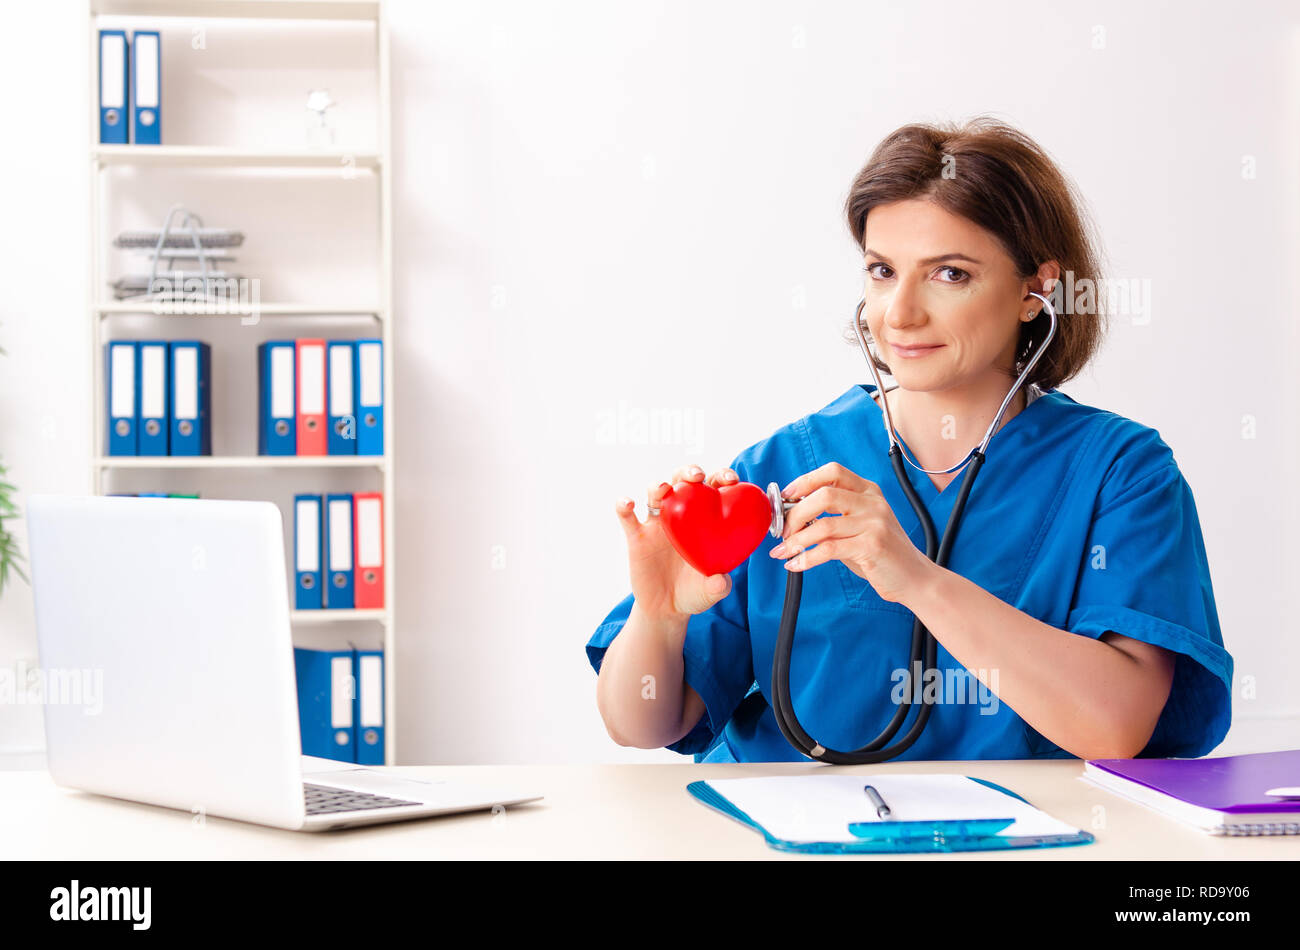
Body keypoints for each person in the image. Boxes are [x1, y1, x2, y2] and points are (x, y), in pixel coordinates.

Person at [585, 116, 1233, 763]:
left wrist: (917, 579)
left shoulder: (1121, 473)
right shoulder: (781, 469)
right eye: (882, 271)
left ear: (1037, 289)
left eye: (949, 274)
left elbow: (1114, 728)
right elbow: (644, 724)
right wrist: (660, 617)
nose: (900, 313)